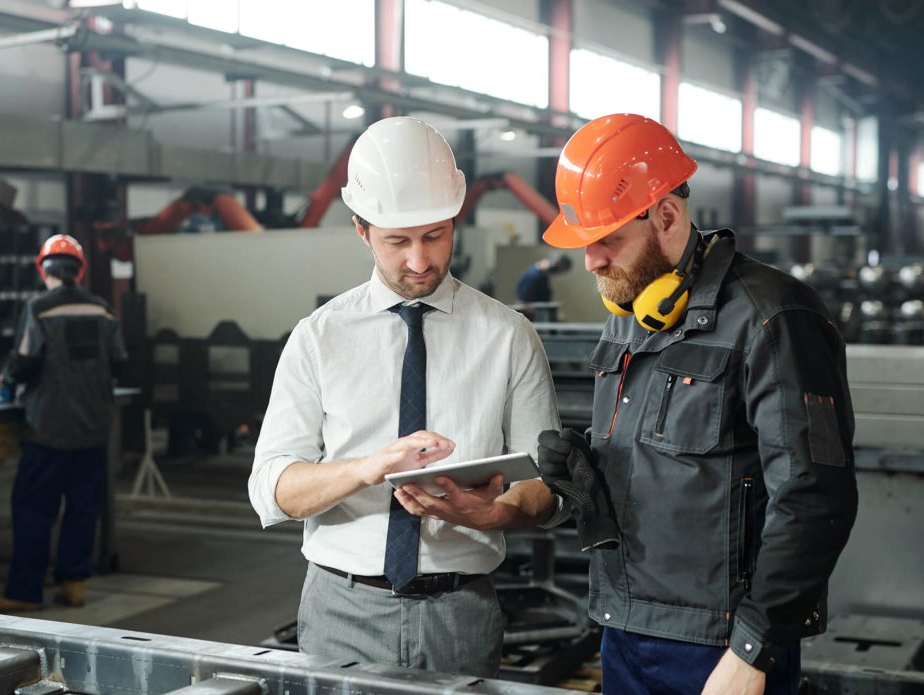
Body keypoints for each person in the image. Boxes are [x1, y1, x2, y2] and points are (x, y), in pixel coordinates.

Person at [536, 114, 858, 695]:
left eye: (608, 239)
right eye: (585, 243)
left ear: (666, 215)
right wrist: (583, 474)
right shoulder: (629, 318)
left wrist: (753, 651)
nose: (591, 262)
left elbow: (814, 496)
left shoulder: (773, 317)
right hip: (622, 627)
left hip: (719, 647)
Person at [248, 116, 563, 678]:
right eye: (397, 241)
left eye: (435, 236)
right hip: (341, 609)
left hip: (461, 612)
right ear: (361, 230)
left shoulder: (509, 336)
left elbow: (547, 484)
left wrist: (495, 512)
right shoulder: (319, 337)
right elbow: (274, 490)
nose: (419, 261)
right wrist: (367, 468)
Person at [0, 234, 127, 612]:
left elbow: (24, 363)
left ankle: (24, 591)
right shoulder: (103, 310)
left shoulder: (38, 308)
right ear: (80, 270)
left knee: (33, 508)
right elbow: (120, 362)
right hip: (94, 428)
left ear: (42, 269)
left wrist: (4, 380)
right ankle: (74, 583)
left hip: (48, 427)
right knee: (83, 507)